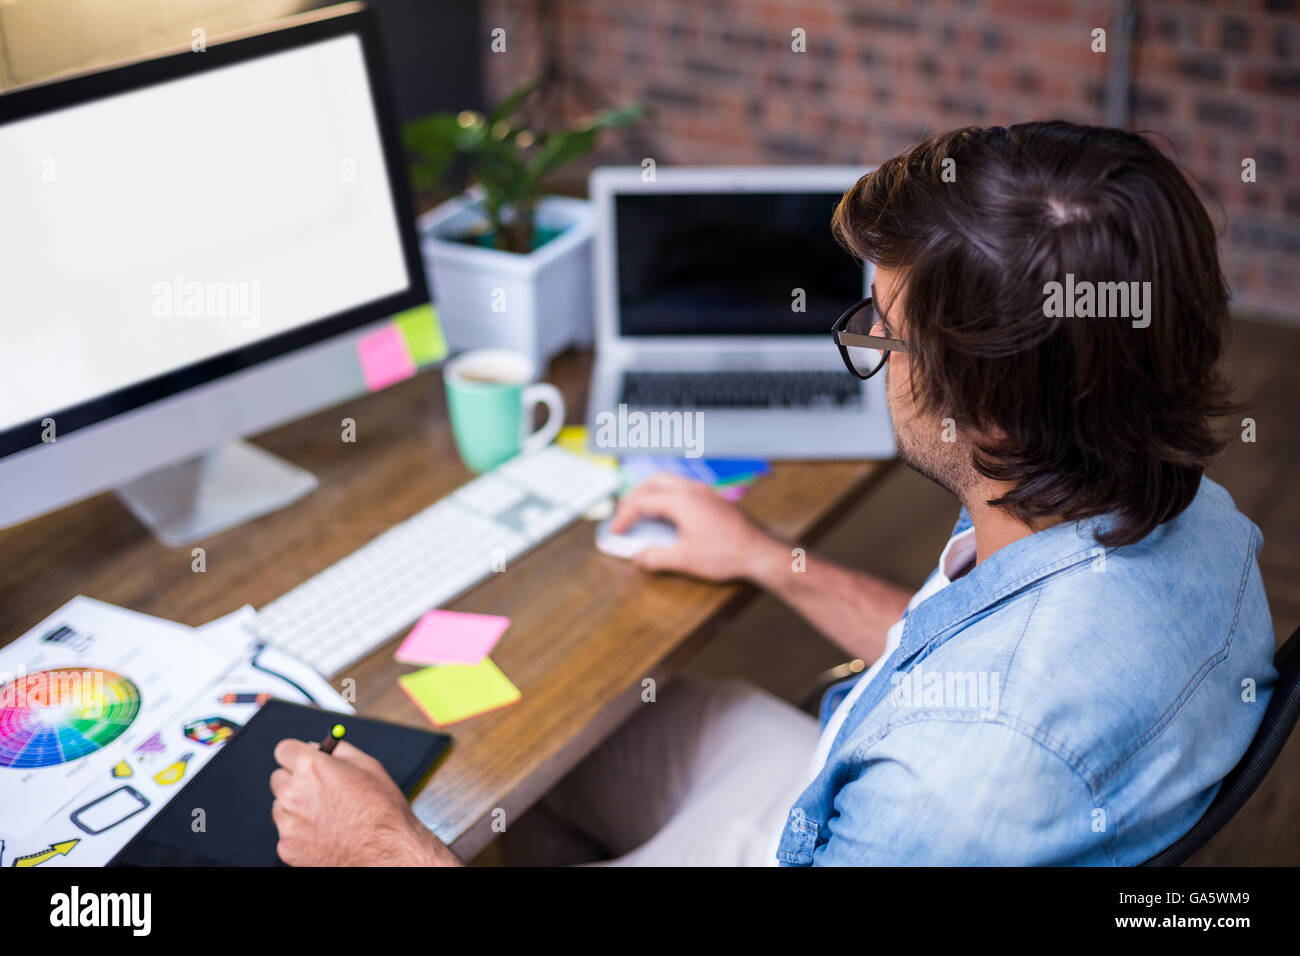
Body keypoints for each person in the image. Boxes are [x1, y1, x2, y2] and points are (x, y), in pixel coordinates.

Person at [270, 121, 1276, 866]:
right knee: (574, 734)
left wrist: (382, 850)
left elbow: (984, 732)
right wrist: (764, 554)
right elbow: (968, 652)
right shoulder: (1198, 521)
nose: (871, 354)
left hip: (851, 829)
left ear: (998, 419)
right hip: (856, 779)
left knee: (422, 814)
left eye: (880, 331)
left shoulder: (949, 789)